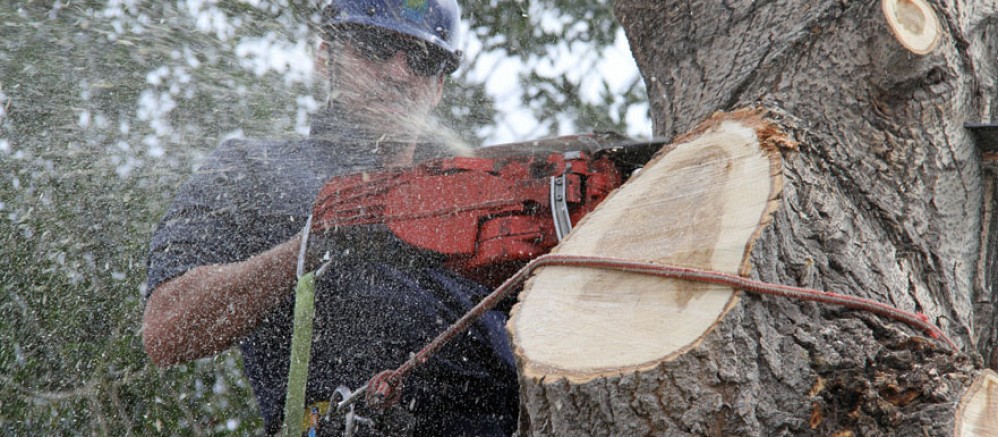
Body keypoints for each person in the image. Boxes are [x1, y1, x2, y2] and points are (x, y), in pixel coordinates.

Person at [141, 1, 518, 435]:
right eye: (377, 47)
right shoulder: (252, 170)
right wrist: (313, 244)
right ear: (325, 57)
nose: (399, 73)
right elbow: (167, 329)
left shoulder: (485, 202)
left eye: (423, 60)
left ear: (438, 88)